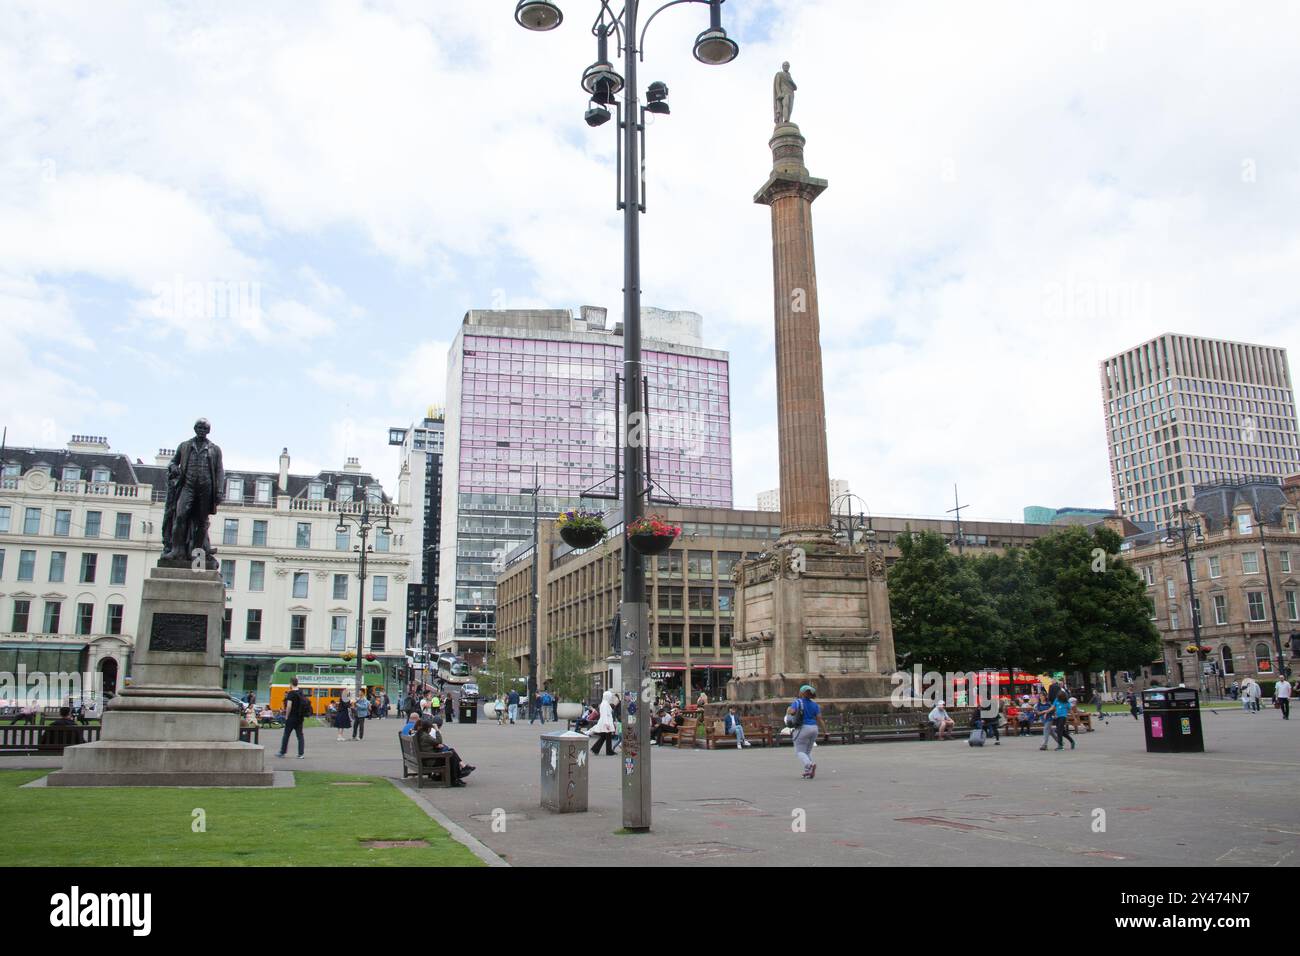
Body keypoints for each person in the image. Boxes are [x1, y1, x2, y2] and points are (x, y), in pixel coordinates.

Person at [414, 717, 475, 786]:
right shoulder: (425, 736)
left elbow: (428, 745)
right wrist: (437, 730)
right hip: (430, 761)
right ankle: (455, 780)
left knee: (451, 752)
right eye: (430, 728)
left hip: (426, 759)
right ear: (428, 728)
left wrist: (435, 746)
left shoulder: (419, 734)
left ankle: (456, 778)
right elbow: (439, 741)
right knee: (451, 755)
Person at [788, 685, 825, 779]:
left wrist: (789, 710)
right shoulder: (815, 705)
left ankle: (810, 765)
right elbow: (819, 719)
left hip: (803, 728)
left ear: (801, 693)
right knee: (807, 751)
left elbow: (792, 712)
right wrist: (825, 731)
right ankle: (808, 771)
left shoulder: (798, 702)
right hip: (814, 728)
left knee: (799, 751)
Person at [276, 678, 309, 759]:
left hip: (292, 717)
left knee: (286, 735)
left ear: (291, 684)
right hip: (300, 717)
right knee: (300, 736)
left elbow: (289, 706)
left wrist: (287, 716)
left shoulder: (291, 693)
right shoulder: (301, 693)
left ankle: (282, 752)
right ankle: (301, 754)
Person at [589, 690, 618, 755]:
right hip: (606, 723)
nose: (610, 698)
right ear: (607, 697)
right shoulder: (605, 704)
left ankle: (595, 749)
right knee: (607, 737)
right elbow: (604, 714)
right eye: (610, 696)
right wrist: (607, 724)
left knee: (604, 737)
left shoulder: (604, 703)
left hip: (605, 722)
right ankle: (608, 751)